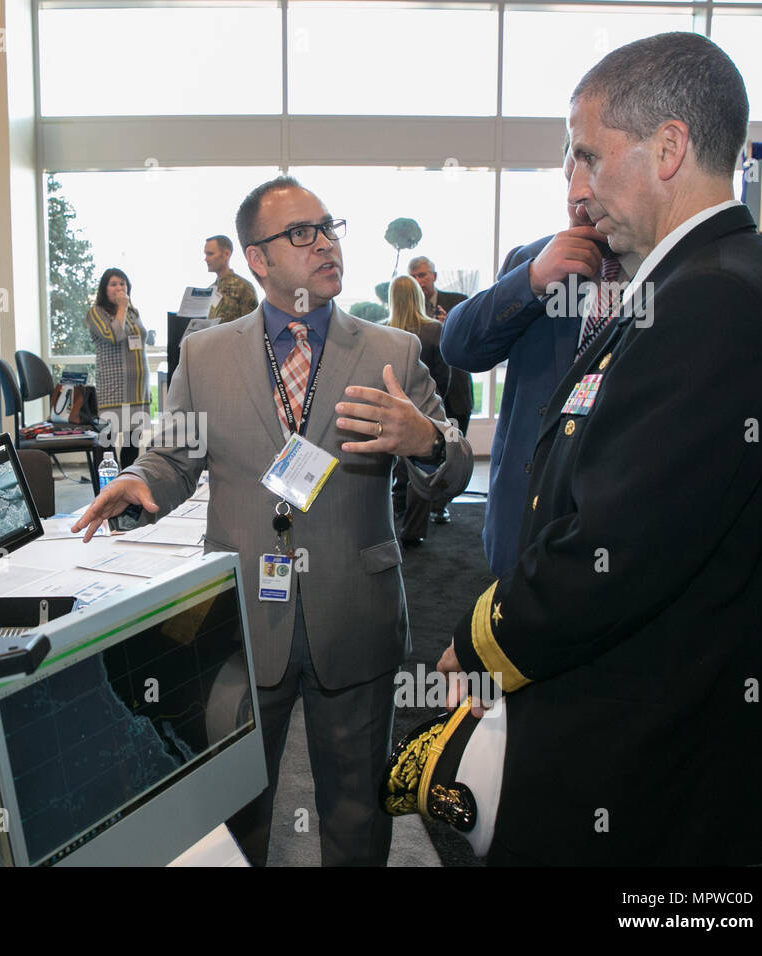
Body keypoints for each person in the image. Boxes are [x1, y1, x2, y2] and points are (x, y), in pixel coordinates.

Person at [438, 32, 762, 865]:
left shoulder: (709, 303)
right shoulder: (714, 280)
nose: (576, 189)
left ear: (669, 148)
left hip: (645, 766)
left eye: (589, 158)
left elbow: (613, 547)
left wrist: (474, 641)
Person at [73, 177, 472, 866]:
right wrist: (139, 481)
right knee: (236, 815)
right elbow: (175, 455)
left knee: (356, 811)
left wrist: (427, 443)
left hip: (356, 613)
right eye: (302, 233)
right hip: (243, 622)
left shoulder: (392, 353)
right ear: (257, 260)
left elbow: (455, 465)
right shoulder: (205, 354)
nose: (326, 244)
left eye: (330, 228)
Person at [440, 151, 639, 577]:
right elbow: (459, 347)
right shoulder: (534, 259)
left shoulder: (668, 272)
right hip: (521, 530)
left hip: (618, 535)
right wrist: (530, 279)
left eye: (590, 172)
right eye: (568, 174)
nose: (575, 195)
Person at [386, 275, 449, 546]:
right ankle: (413, 529)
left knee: (396, 466)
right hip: (426, 411)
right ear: (418, 297)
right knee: (422, 472)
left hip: (392, 411)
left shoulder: (382, 332)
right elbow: (444, 377)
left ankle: (394, 513)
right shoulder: (435, 329)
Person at [407, 255, 471, 523]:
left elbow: (473, 342)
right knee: (426, 454)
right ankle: (417, 510)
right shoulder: (408, 305)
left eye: (422, 275)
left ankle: (441, 505)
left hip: (455, 389)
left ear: (434, 275)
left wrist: (448, 328)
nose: (419, 281)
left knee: (452, 449)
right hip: (424, 395)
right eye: (414, 276)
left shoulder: (457, 301)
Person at [84, 267, 148, 469]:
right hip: (113, 389)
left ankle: (128, 481)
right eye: (113, 284)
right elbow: (114, 336)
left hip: (137, 389)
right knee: (107, 441)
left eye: (122, 284)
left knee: (132, 442)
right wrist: (121, 307)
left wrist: (125, 308)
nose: (119, 288)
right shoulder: (96, 313)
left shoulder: (133, 312)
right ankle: (109, 484)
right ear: (104, 289)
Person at [204, 234, 258, 323]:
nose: (206, 259)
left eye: (210, 254)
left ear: (226, 254)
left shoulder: (243, 287)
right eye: (205, 254)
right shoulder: (211, 289)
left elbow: (251, 325)